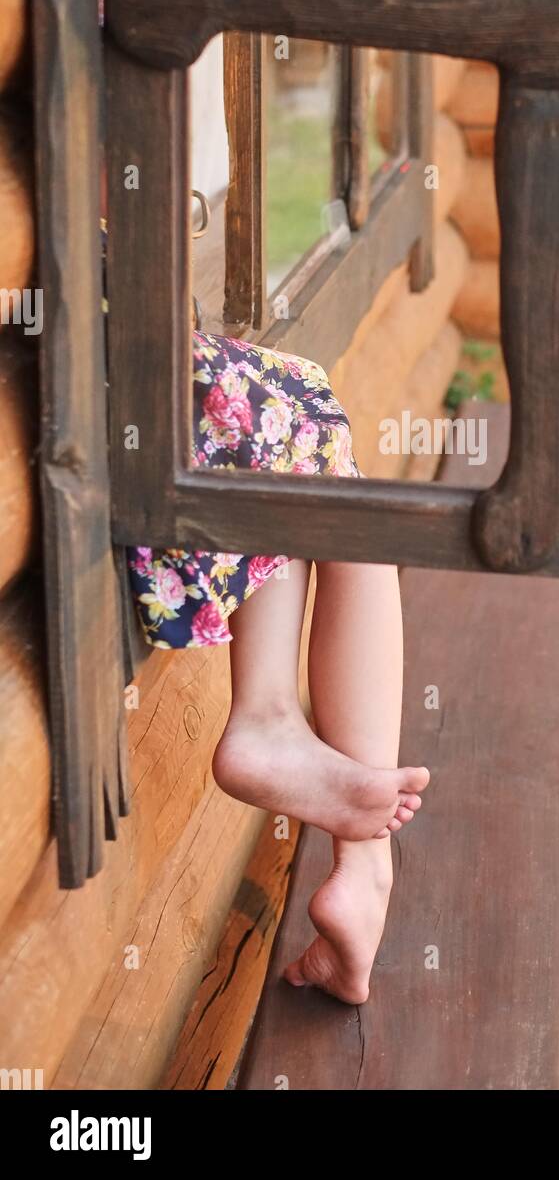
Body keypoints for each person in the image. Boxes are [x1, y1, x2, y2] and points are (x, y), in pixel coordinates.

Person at [127, 327, 429, 1006]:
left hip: (110, 341)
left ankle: (272, 721)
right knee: (298, 432)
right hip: (102, 373)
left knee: (294, 411)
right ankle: (362, 864)